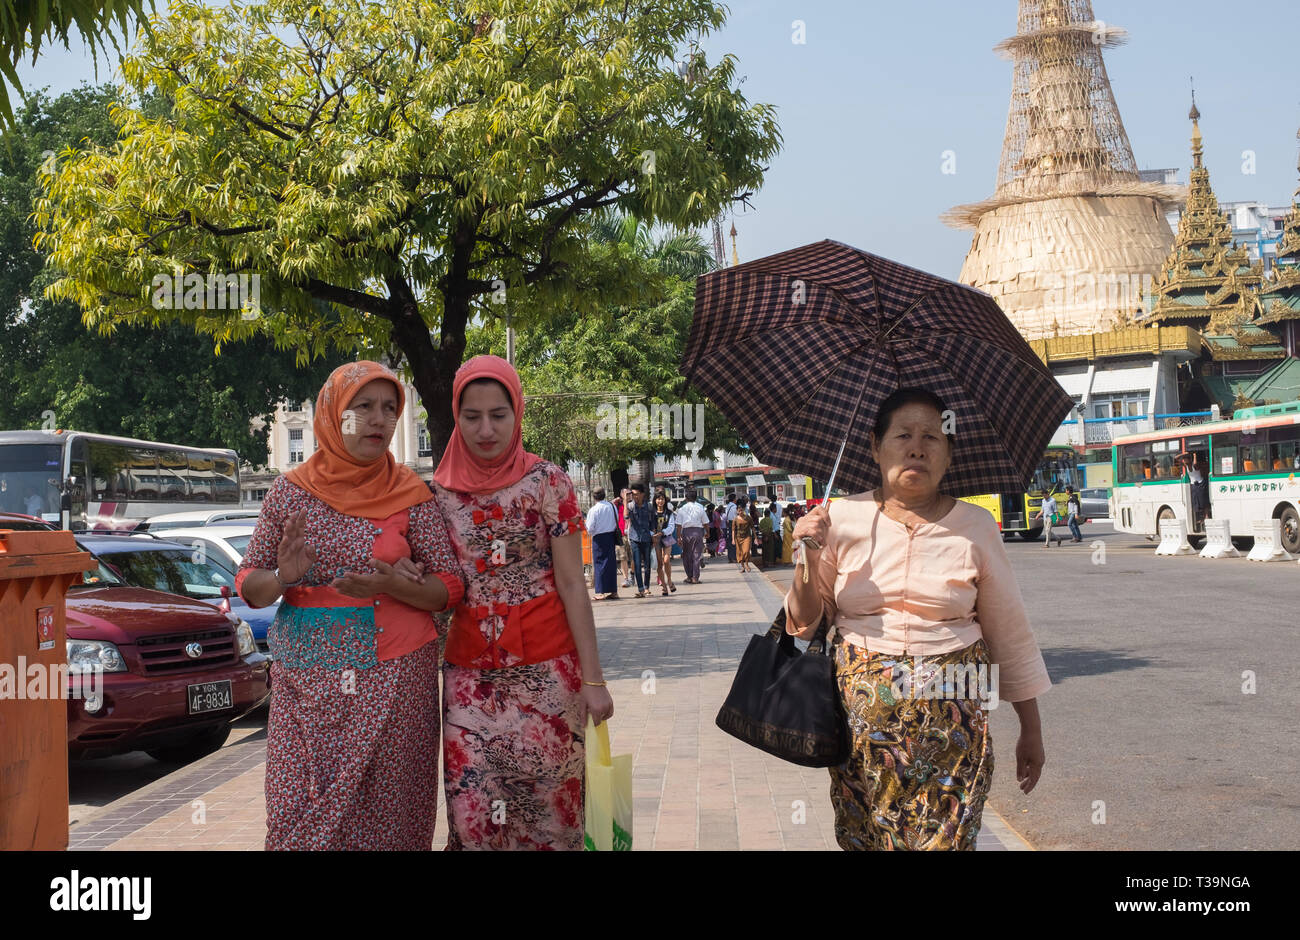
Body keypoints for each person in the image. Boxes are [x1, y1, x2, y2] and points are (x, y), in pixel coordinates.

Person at [787, 387, 1050, 851]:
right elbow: (805, 624)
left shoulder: (975, 527)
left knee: (945, 840)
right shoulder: (839, 518)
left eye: (932, 436)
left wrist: (1031, 728)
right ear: (874, 446)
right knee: (869, 836)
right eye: (903, 434)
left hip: (955, 720)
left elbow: (1009, 632)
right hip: (859, 722)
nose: (916, 447)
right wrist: (806, 555)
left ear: (949, 453)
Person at [236, 360, 464, 850]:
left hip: (399, 680)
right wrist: (282, 577)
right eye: (364, 407)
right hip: (308, 684)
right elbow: (251, 587)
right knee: (299, 812)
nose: (379, 420)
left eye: (389, 408)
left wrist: (396, 587)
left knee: (393, 816)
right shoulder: (289, 492)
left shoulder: (411, 492)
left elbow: (450, 586)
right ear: (333, 414)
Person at [431, 355, 614, 850]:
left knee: (551, 820)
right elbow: (438, 587)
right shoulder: (435, 494)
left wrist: (594, 682)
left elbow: (574, 584)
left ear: (518, 414)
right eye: (472, 416)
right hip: (470, 684)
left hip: (549, 678)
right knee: (475, 819)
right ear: (456, 416)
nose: (485, 428)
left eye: (499, 414)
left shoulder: (549, 483)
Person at [586, 488, 620, 600]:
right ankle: (613, 591)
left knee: (599, 564)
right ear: (604, 495)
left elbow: (590, 528)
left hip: (599, 538)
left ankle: (600, 592)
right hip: (611, 537)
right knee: (611, 564)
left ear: (593, 496)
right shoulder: (612, 506)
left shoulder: (594, 510)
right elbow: (617, 520)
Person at [674, 488, 710, 584]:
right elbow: (706, 522)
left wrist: (678, 537)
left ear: (686, 498)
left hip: (686, 532)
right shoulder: (700, 508)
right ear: (696, 498)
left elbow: (678, 525)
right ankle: (695, 577)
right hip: (698, 532)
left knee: (686, 555)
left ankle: (689, 576)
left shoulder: (682, 509)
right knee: (697, 555)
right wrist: (707, 532)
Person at [625, 483, 654, 598]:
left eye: (637, 494)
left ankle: (647, 587)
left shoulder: (649, 506)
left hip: (646, 538)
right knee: (637, 564)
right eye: (633, 495)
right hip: (634, 539)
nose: (635, 497)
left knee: (647, 565)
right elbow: (625, 517)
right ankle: (640, 589)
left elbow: (653, 523)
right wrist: (625, 500)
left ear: (642, 494)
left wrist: (653, 534)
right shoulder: (630, 506)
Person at [651, 493, 677, 595]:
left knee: (666, 561)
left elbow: (671, 526)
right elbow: (649, 526)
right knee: (659, 563)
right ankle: (664, 587)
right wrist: (653, 535)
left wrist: (662, 533)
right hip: (656, 540)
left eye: (662, 499)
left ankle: (669, 580)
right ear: (655, 500)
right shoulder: (651, 513)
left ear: (665, 501)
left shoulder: (669, 513)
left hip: (666, 538)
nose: (660, 501)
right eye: (658, 499)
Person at [731, 497, 754, 572]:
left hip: (747, 536)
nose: (740, 512)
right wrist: (733, 539)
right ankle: (743, 566)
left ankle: (747, 564)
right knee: (739, 552)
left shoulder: (748, 518)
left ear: (744, 510)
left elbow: (752, 527)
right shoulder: (735, 519)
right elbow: (733, 530)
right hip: (738, 538)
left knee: (746, 551)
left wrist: (756, 537)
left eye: (742, 510)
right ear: (737, 511)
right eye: (739, 510)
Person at [616, 489, 633, 589]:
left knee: (634, 557)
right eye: (626, 494)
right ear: (621, 495)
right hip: (621, 534)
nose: (628, 495)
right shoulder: (617, 505)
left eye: (630, 494)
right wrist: (616, 500)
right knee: (623, 557)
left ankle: (633, 575)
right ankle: (626, 578)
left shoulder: (633, 505)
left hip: (632, 534)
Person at [724, 494, 738, 563]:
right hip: (734, 523)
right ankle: (734, 557)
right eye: (736, 498)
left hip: (729, 523)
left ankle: (730, 557)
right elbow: (736, 516)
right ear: (734, 499)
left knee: (730, 541)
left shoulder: (728, 506)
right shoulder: (734, 506)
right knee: (734, 540)